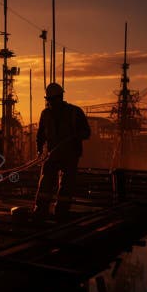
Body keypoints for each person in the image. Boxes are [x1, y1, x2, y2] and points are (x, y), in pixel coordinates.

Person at [33, 82, 91, 221]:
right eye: (49, 100)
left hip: (69, 155)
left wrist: (75, 136)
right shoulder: (46, 114)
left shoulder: (74, 112)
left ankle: (61, 211)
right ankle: (41, 210)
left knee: (66, 185)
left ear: (60, 98)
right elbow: (40, 134)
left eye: (52, 100)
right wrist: (40, 149)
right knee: (45, 182)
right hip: (52, 154)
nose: (50, 103)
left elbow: (87, 132)